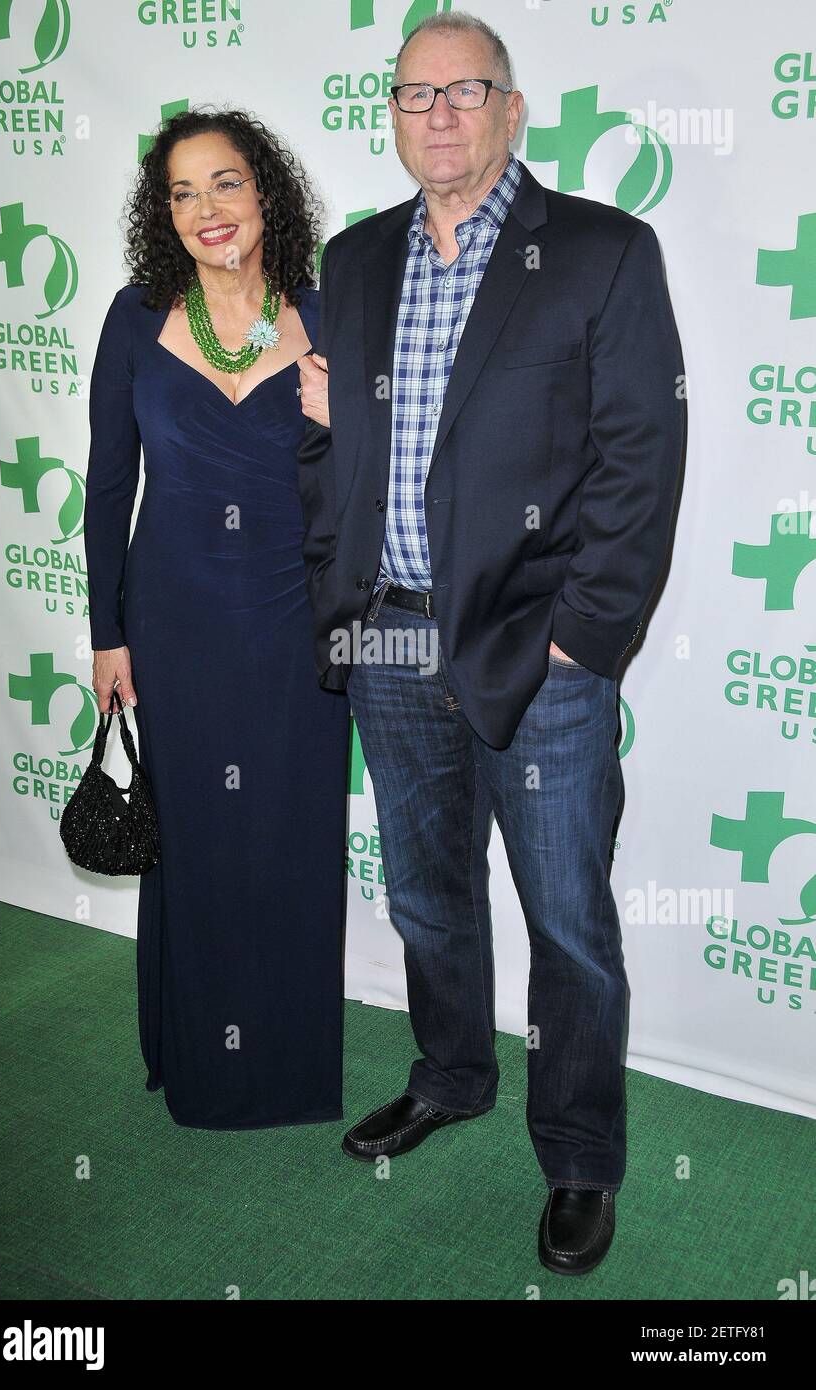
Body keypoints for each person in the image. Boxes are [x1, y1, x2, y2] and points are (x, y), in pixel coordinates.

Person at [297, 12, 685, 1272]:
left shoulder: (601, 251)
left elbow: (640, 457)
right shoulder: (351, 263)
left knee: (566, 916)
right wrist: (336, 599)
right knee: (425, 893)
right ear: (392, 115)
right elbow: (330, 453)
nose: (440, 115)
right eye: (414, 95)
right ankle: (451, 1075)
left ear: (512, 109)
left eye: (466, 91)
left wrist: (583, 636)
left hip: (538, 655)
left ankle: (578, 1156)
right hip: (395, 644)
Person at [84, 107, 350, 1130]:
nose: (206, 209)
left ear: (265, 192)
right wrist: (107, 632)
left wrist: (339, 424)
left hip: (295, 621)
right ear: (165, 214)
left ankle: (284, 1065)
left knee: (288, 834)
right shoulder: (133, 316)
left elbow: (372, 482)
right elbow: (109, 485)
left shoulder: (326, 318)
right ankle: (200, 1062)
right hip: (178, 620)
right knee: (192, 838)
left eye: (225, 183)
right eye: (182, 192)